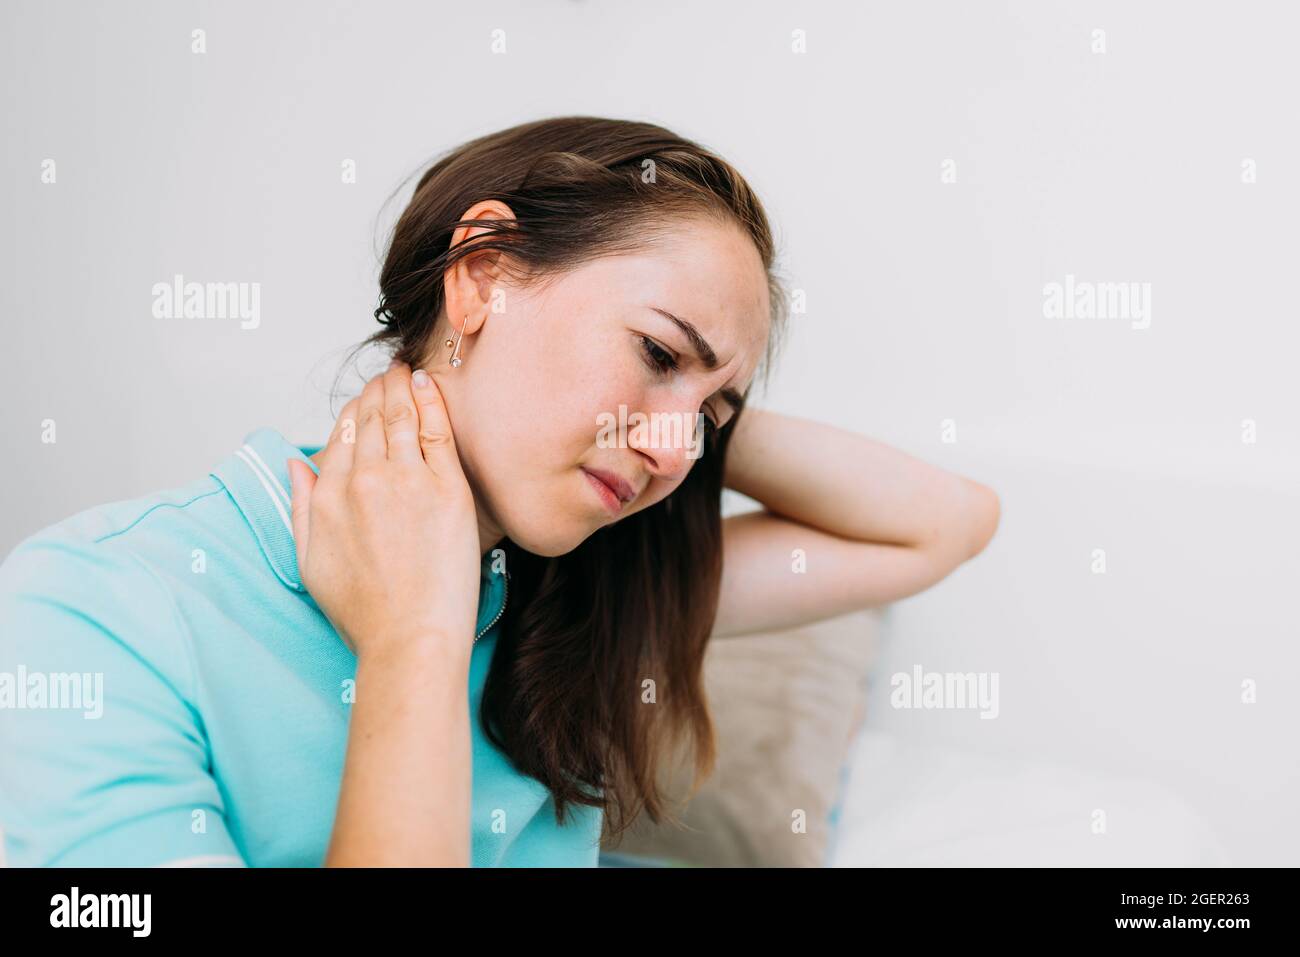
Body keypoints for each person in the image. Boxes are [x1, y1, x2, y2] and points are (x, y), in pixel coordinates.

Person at [0, 115, 1000, 867]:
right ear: (480, 273)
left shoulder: (584, 581)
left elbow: (946, 525)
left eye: (713, 417)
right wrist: (411, 639)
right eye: (652, 348)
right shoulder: (88, 615)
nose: (673, 451)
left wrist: (680, 407)